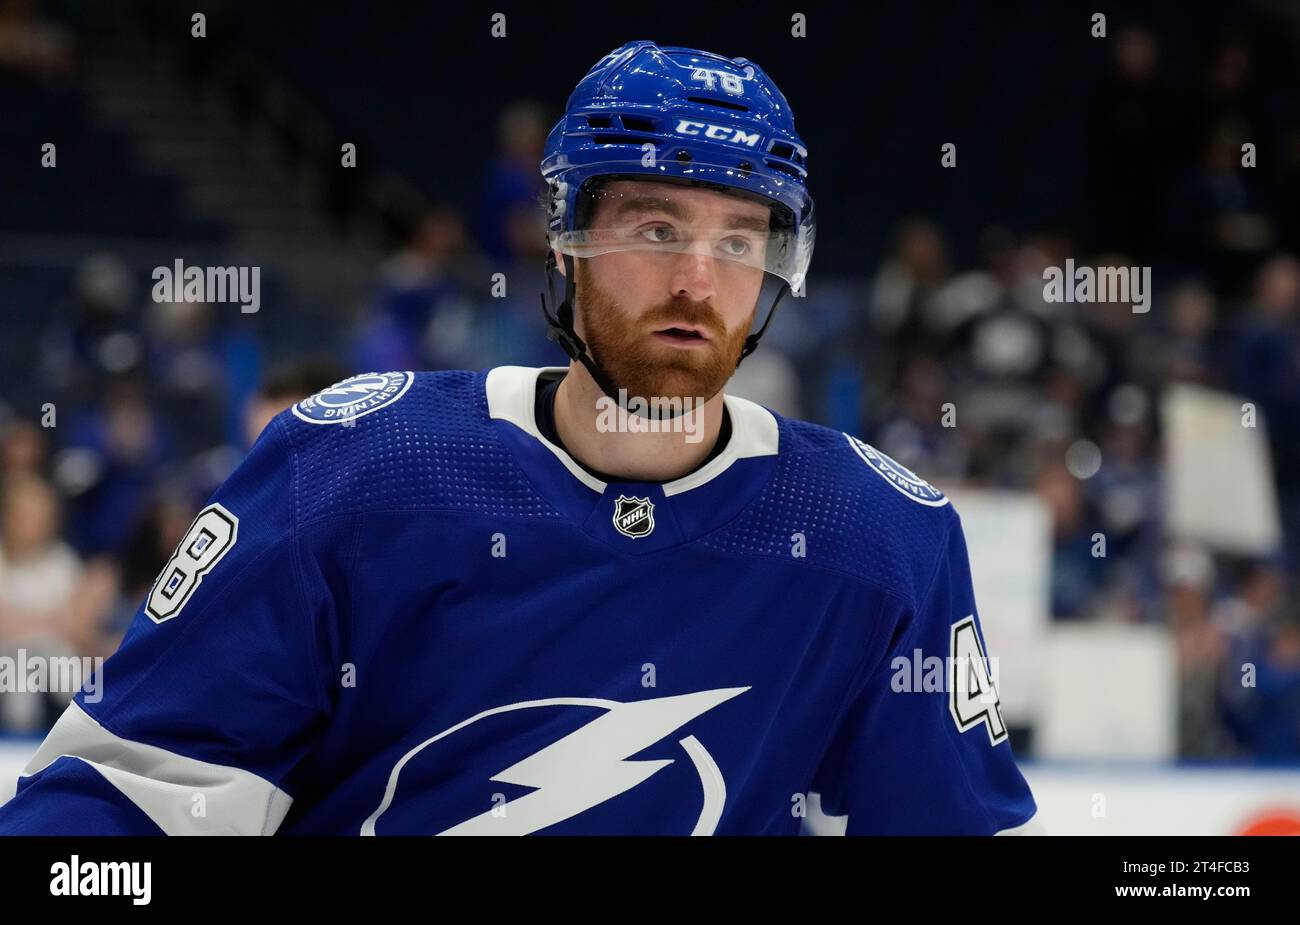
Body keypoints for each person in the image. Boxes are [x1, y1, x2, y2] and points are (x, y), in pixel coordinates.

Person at [0, 40, 1037, 835]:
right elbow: (120, 807)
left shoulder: (877, 538)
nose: (696, 282)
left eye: (739, 240)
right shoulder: (355, 469)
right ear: (565, 238)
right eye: (655, 229)